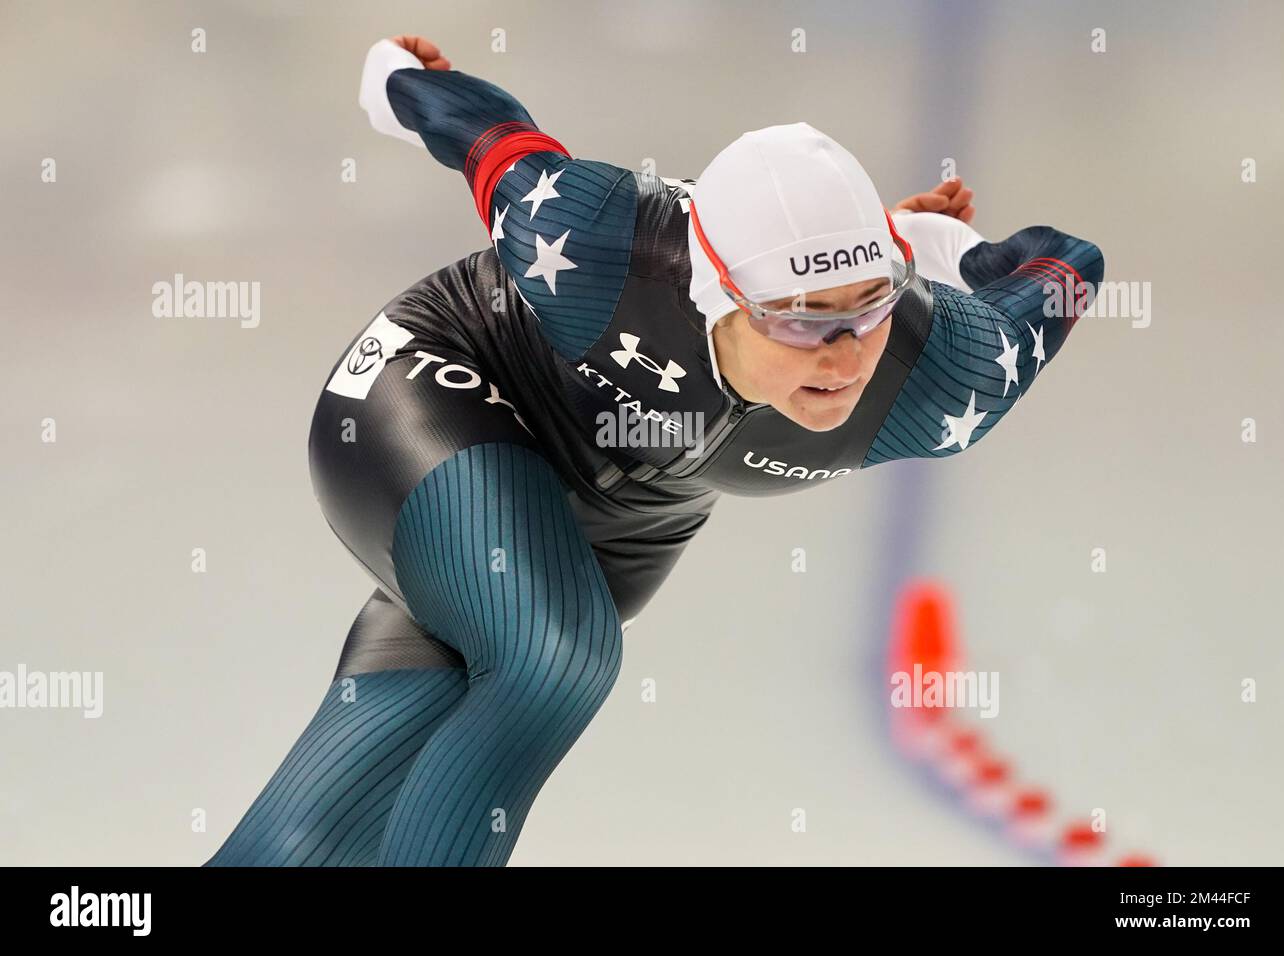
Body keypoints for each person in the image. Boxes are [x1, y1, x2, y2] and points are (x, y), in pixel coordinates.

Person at [205, 35, 1102, 867]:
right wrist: (396, 75)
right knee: (551, 655)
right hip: (443, 389)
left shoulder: (944, 372)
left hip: (625, 517)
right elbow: (492, 140)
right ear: (713, 294)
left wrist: (962, 255)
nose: (842, 356)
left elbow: (1069, 261)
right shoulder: (601, 248)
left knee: (320, 826)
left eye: (868, 308)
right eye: (799, 320)